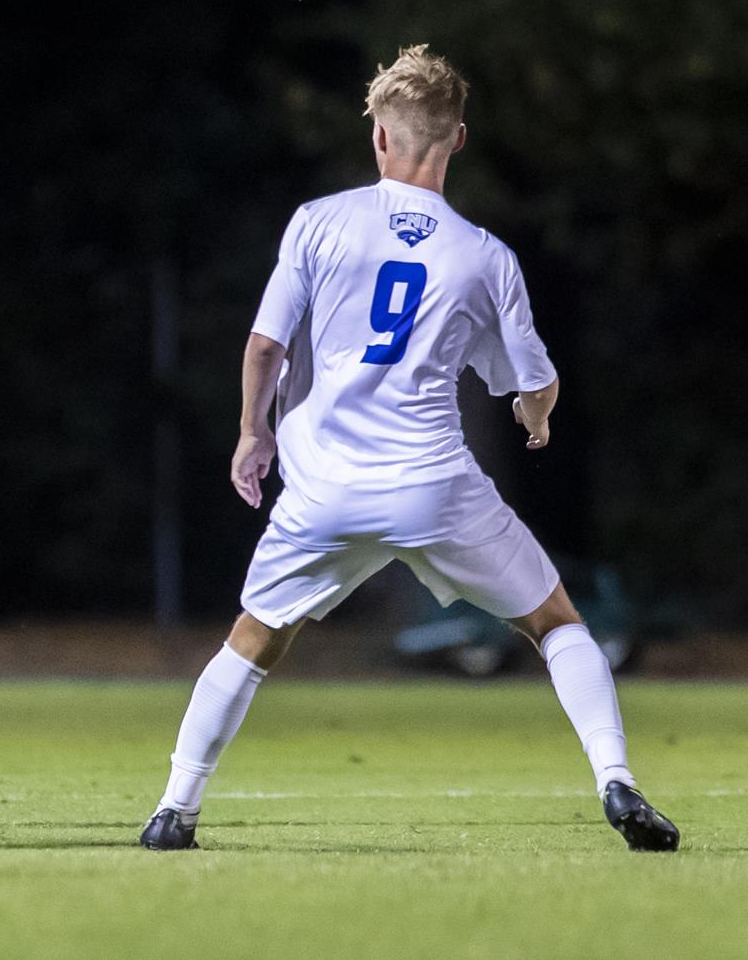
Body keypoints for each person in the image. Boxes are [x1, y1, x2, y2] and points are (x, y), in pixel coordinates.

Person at [139, 46, 678, 853]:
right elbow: (535, 380)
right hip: (432, 485)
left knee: (253, 639)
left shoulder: (319, 222)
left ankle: (174, 809)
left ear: (380, 138)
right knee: (555, 620)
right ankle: (617, 779)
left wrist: (252, 432)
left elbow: (264, 346)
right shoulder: (484, 254)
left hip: (325, 488)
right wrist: (534, 416)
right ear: (458, 138)